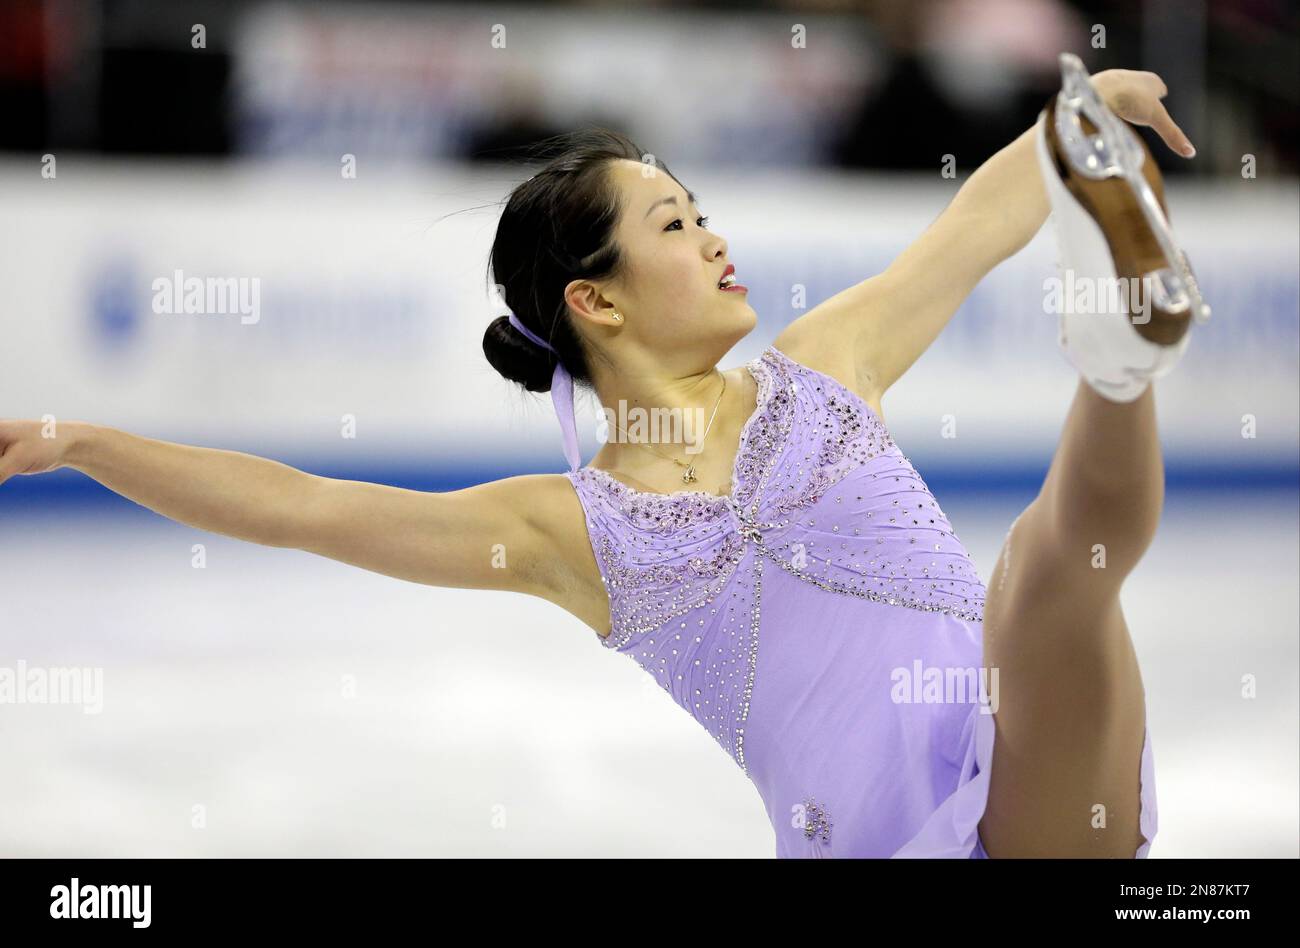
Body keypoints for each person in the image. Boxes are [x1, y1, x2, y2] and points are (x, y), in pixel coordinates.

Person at [0, 55, 1205, 858]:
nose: (715, 237)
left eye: (702, 211)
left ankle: (1121, 351)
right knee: (1040, 584)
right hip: (882, 838)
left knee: (1047, 574)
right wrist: (84, 440)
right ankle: (1119, 360)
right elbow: (302, 505)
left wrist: (1075, 114)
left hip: (1039, 759)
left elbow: (974, 223)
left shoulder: (828, 363)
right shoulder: (568, 533)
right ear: (600, 303)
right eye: (675, 225)